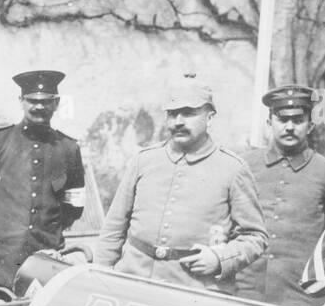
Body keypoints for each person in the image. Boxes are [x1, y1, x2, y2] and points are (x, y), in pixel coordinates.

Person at [93, 75, 267, 291]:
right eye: (172, 114)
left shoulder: (233, 169)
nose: (178, 122)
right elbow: (114, 227)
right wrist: (100, 275)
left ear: (209, 118)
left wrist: (220, 259)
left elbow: (255, 237)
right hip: (133, 281)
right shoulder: (144, 160)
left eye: (188, 113)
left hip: (195, 290)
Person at [0, 70, 86, 289]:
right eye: (32, 101)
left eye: (46, 102)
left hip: (46, 259)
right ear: (21, 101)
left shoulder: (68, 148)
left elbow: (74, 203)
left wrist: (50, 230)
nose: (39, 107)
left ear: (56, 104)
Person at [235, 85, 325, 306]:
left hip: (298, 297)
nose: (289, 127)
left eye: (298, 120)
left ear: (310, 125)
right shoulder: (245, 165)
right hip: (245, 290)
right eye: (282, 119)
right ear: (269, 124)